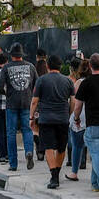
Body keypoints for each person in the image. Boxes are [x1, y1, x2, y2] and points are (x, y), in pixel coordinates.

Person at [72, 53, 99, 196]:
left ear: (90, 66)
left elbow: (77, 106)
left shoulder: (86, 83)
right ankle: (95, 184)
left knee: (96, 155)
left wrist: (76, 119)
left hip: (94, 123)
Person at [31, 54, 75, 188]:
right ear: (61, 66)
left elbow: (34, 101)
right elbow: (73, 100)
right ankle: (57, 171)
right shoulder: (68, 81)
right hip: (63, 118)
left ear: (48, 66)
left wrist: (31, 117)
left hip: (46, 119)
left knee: (49, 147)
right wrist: (70, 114)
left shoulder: (41, 80)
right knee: (61, 148)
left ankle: (54, 175)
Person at [0, 44, 38, 171]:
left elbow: (0, 87)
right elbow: (37, 85)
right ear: (22, 55)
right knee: (27, 129)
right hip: (27, 102)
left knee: (11, 133)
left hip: (11, 104)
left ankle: (13, 164)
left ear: (11, 55)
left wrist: (7, 94)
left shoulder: (6, 67)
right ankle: (28, 151)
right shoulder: (31, 66)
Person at [65, 57, 87, 181]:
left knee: (73, 140)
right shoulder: (83, 80)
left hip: (75, 112)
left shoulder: (71, 81)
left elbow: (73, 101)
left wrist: (73, 115)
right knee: (84, 139)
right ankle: (82, 161)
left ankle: (71, 161)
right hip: (85, 114)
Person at [34, 50, 50, 160]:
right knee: (45, 127)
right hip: (47, 102)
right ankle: (44, 148)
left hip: (36, 101)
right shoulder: (48, 69)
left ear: (37, 57)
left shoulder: (34, 68)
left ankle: (39, 149)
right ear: (46, 56)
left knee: (35, 127)